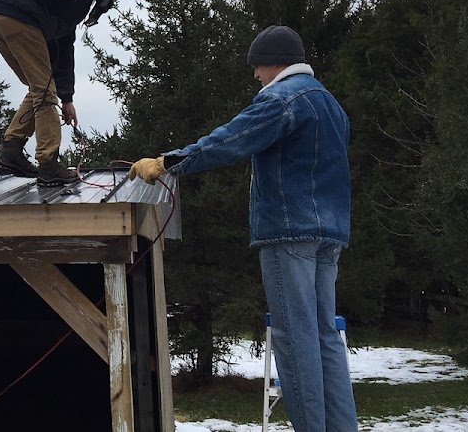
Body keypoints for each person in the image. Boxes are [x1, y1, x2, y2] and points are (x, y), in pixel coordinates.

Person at [129, 25, 358, 432]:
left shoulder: (283, 97)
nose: (256, 76)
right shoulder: (331, 104)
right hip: (330, 233)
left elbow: (234, 138)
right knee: (325, 336)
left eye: (257, 67)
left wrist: (169, 161)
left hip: (288, 231)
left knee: (294, 337)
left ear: (274, 62)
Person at [0, 0, 130, 185]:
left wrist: (67, 98)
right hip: (19, 16)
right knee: (43, 90)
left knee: (39, 88)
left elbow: (64, 53)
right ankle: (48, 164)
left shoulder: (74, 6)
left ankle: (11, 151)